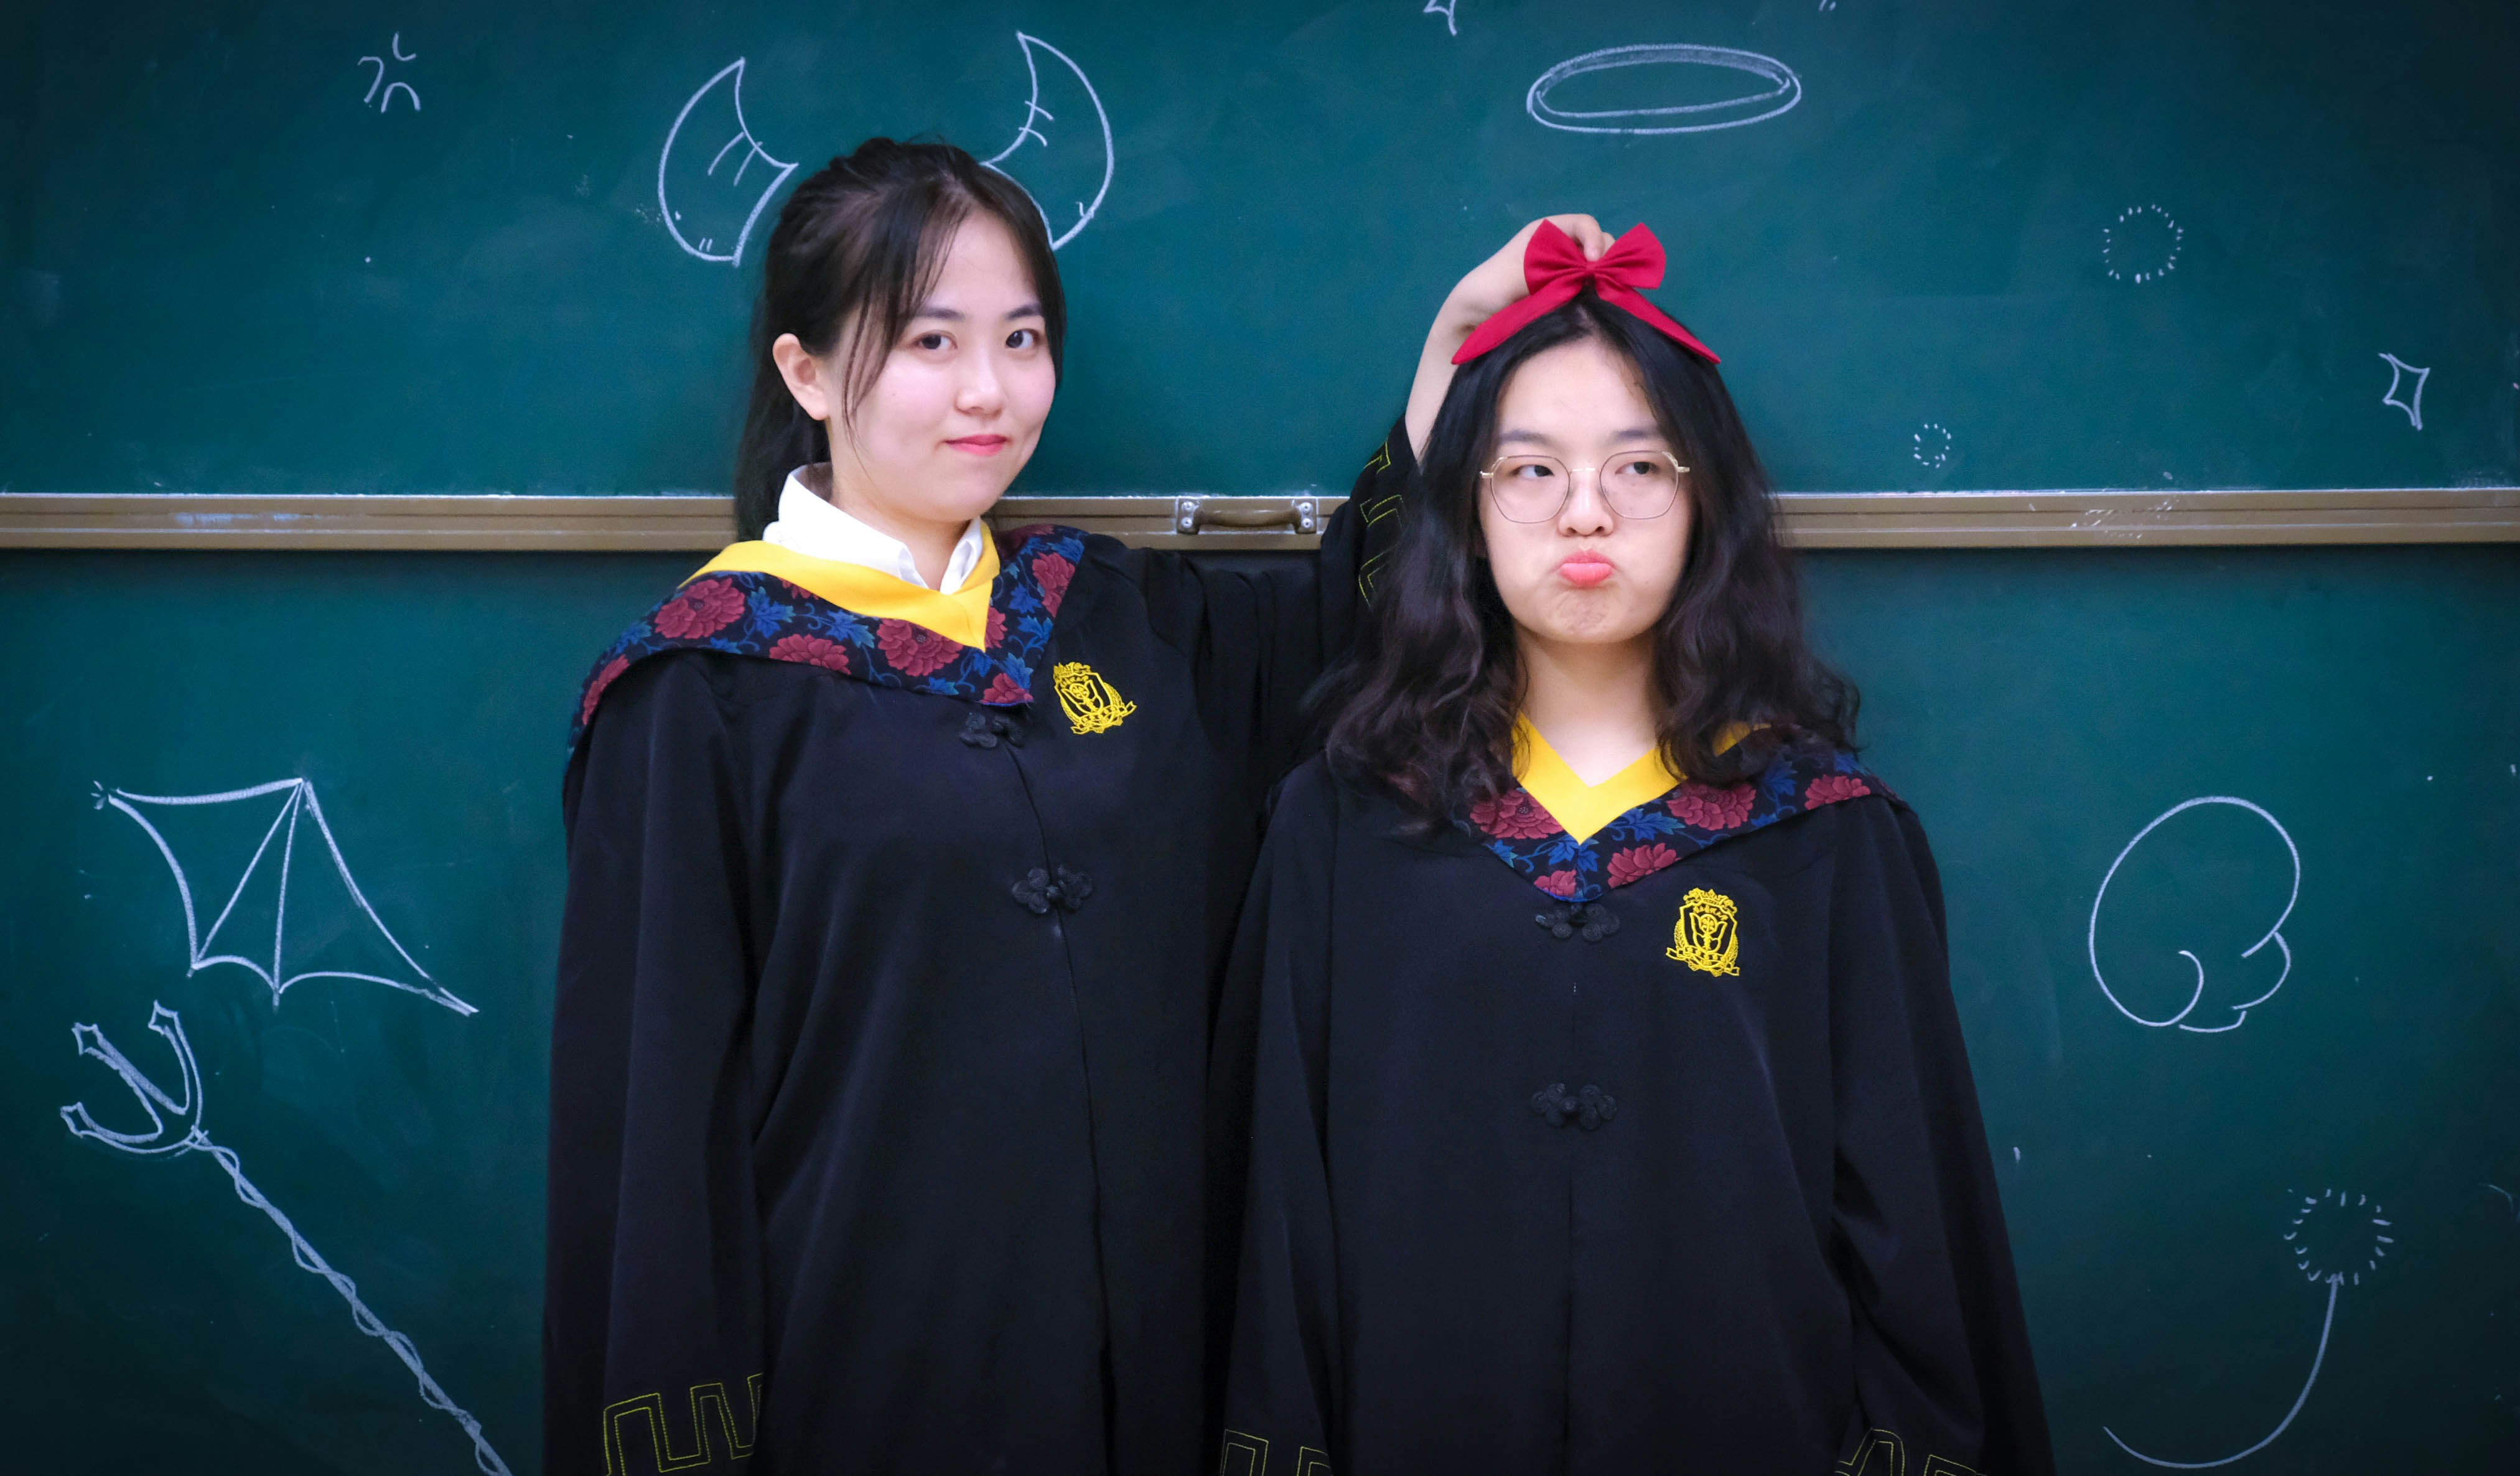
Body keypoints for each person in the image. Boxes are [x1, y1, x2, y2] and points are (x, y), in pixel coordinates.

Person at [544, 134, 1607, 1474]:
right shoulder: (702, 693)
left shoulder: (1104, 615)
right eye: (928, 342)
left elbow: (1340, 646)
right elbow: (652, 1140)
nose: (988, 390)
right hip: (866, 1363)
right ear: (805, 370)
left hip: (1153, 1355)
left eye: (1023, 336)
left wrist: (1452, 367)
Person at [1214, 223, 2054, 1474]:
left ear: (1703, 498)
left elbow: (1915, 1237)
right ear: (1469, 508)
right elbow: (1277, 1221)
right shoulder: (1347, 825)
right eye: (1529, 471)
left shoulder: (1825, 836)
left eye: (1640, 466)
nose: (1585, 512)